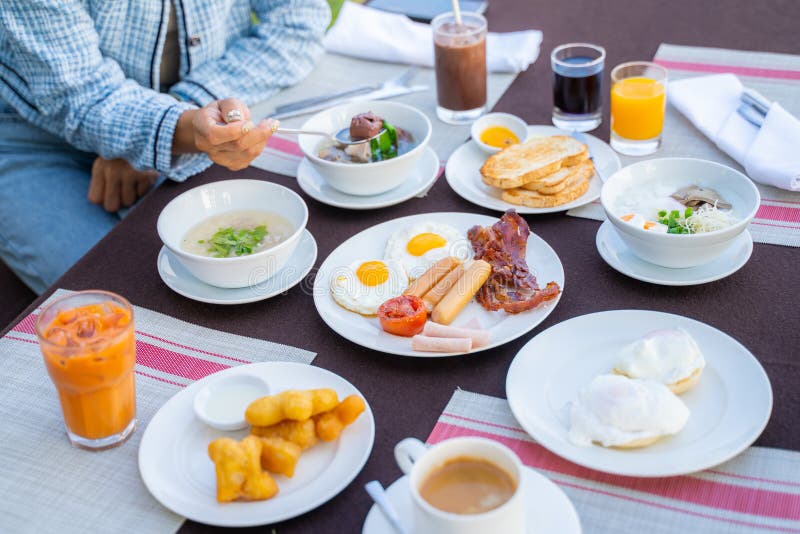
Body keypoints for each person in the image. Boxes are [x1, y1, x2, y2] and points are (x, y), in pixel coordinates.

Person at [0, 0, 330, 294]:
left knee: (254, 273)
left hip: (186, 120)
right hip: (31, 141)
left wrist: (178, 115)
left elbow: (299, 18)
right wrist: (169, 128)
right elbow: (80, 94)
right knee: (117, 299)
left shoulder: (179, 121)